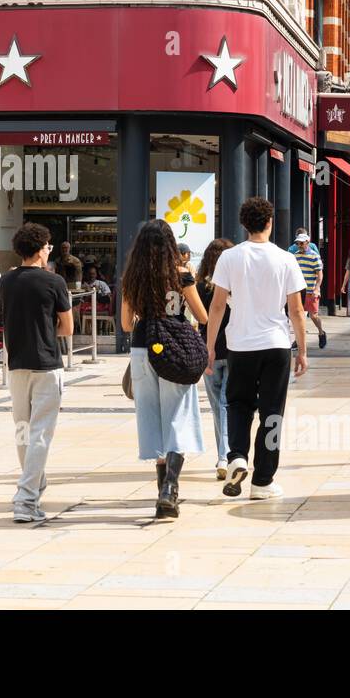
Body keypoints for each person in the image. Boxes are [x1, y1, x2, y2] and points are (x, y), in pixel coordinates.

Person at [205, 197, 308, 502]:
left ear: (243, 224)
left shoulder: (229, 258)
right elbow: (297, 310)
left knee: (237, 404)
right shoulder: (286, 259)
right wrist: (302, 350)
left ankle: (236, 455)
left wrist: (209, 347)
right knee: (272, 414)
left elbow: (217, 305)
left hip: (240, 345)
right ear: (270, 222)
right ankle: (263, 480)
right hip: (276, 344)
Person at [120, 218, 207, 520]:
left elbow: (125, 324)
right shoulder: (181, 275)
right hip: (174, 349)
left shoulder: (133, 277)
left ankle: (162, 492)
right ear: (171, 245)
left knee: (152, 418)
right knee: (178, 416)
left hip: (143, 349)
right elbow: (202, 316)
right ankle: (170, 487)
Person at [0, 223, 73, 523]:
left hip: (16, 363)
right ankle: (26, 498)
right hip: (46, 364)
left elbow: (4, 318)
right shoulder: (53, 282)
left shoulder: (6, 281)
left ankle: (35, 483)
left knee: (22, 429)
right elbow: (67, 328)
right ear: (41, 248)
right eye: (49, 246)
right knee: (41, 432)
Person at [195, 237, 234, 481]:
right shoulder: (234, 286)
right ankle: (225, 455)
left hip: (207, 351)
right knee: (226, 404)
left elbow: (200, 319)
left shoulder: (200, 287)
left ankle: (224, 454)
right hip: (232, 350)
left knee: (218, 406)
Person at [292, 232, 327, 349]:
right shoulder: (295, 256)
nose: (299, 245)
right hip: (298, 290)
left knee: (313, 316)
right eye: (297, 243)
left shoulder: (314, 256)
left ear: (307, 243)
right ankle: (298, 340)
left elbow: (320, 274)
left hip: (311, 290)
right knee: (298, 316)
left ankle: (321, 333)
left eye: (301, 243)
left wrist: (317, 289)